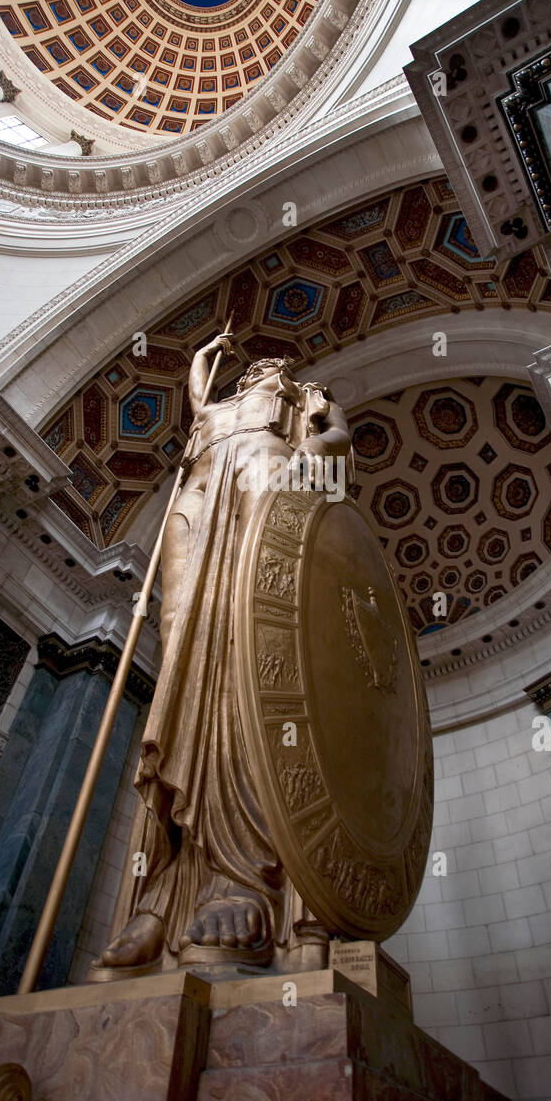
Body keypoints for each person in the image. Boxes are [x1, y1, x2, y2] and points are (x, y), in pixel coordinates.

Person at [92, 332, 353, 974]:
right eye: (258, 363)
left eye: (274, 363)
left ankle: (241, 876)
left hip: (266, 478)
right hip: (198, 498)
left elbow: (339, 444)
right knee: (185, 648)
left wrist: (309, 454)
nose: (265, 366)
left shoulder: (304, 397)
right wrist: (201, 365)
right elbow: (198, 397)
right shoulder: (214, 410)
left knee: (247, 658)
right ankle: (167, 887)